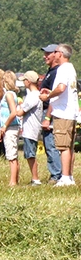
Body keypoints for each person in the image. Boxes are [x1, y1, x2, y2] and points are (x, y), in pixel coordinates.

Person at [40, 43, 77, 186]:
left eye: (55, 52)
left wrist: (48, 96)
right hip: (71, 112)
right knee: (69, 147)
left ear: (60, 54)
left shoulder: (62, 69)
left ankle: (65, 177)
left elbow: (61, 88)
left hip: (63, 112)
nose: (53, 54)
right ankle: (69, 176)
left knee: (63, 147)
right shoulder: (71, 68)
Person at [8, 71, 43, 186]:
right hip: (32, 128)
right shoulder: (34, 94)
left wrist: (15, 108)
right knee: (29, 155)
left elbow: (20, 112)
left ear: (28, 81)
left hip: (31, 129)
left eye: (24, 80)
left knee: (30, 155)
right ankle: (34, 178)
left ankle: (35, 179)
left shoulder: (33, 96)